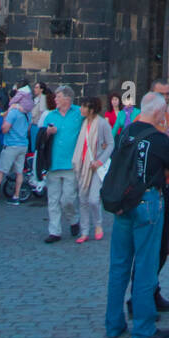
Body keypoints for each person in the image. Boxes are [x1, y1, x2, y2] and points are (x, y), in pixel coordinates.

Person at [105, 91, 169, 338]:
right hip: (147, 203)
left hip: (122, 204)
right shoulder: (159, 139)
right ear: (160, 113)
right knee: (146, 267)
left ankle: (114, 324)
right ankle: (143, 328)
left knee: (119, 266)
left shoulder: (126, 133)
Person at [149, 79, 169, 312]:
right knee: (149, 246)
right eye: (161, 94)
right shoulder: (146, 122)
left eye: (168, 94)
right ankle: (141, 297)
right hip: (151, 190)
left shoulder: (168, 118)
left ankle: (153, 290)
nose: (166, 98)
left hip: (167, 187)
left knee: (161, 247)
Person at [41, 85, 83, 244]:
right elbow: (40, 136)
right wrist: (46, 132)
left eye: (58, 96)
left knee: (68, 199)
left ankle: (74, 219)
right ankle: (54, 231)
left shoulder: (79, 113)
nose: (55, 99)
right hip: (53, 163)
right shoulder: (50, 115)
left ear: (67, 98)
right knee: (52, 199)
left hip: (71, 164)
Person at [73, 96, 114, 242]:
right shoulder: (82, 123)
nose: (81, 109)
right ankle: (84, 231)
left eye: (84, 107)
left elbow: (110, 144)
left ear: (91, 109)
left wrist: (100, 161)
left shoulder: (102, 124)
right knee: (82, 199)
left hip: (96, 167)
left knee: (93, 199)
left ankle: (98, 224)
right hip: (83, 165)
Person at [0, 88, 31, 205]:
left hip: (11, 145)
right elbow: (28, 128)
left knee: (0, 172)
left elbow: (4, 129)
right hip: (23, 144)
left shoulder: (13, 112)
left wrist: (5, 119)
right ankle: (16, 196)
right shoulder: (27, 113)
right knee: (19, 172)